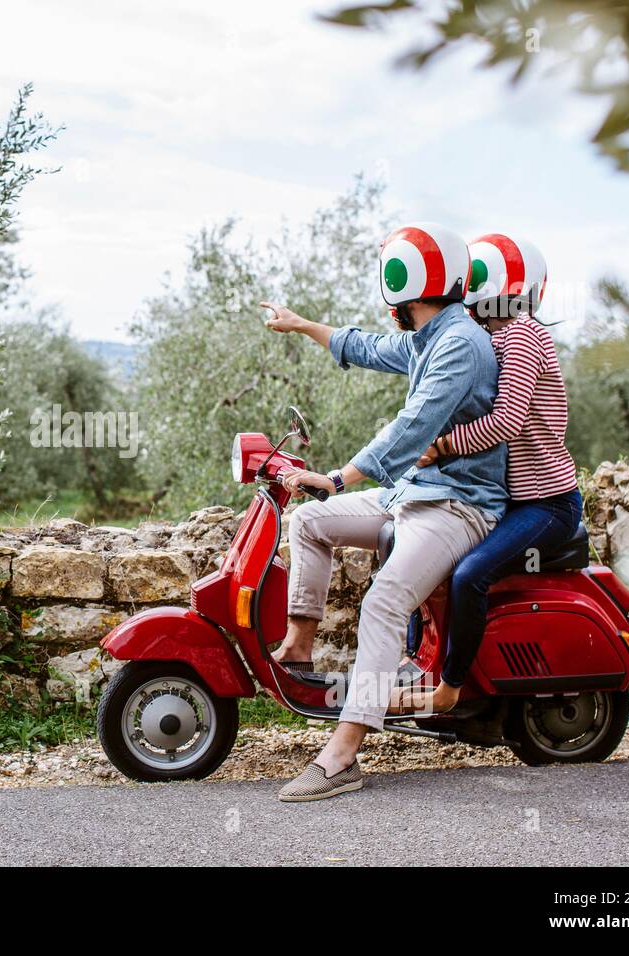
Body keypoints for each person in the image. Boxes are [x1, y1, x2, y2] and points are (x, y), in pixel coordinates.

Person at [259, 221, 507, 803]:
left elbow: (414, 423)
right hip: (414, 494)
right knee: (310, 522)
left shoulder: (459, 345)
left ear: (403, 282)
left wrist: (338, 477)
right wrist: (301, 325)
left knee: (386, 598)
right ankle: (299, 644)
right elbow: (366, 347)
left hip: (458, 505)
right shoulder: (431, 335)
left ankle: (343, 755)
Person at [389, 234, 581, 715]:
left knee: (470, 574)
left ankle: (450, 688)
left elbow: (506, 422)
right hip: (512, 501)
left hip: (546, 505)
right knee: (422, 551)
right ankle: (417, 659)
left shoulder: (522, 335)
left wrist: (441, 446)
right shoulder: (493, 337)